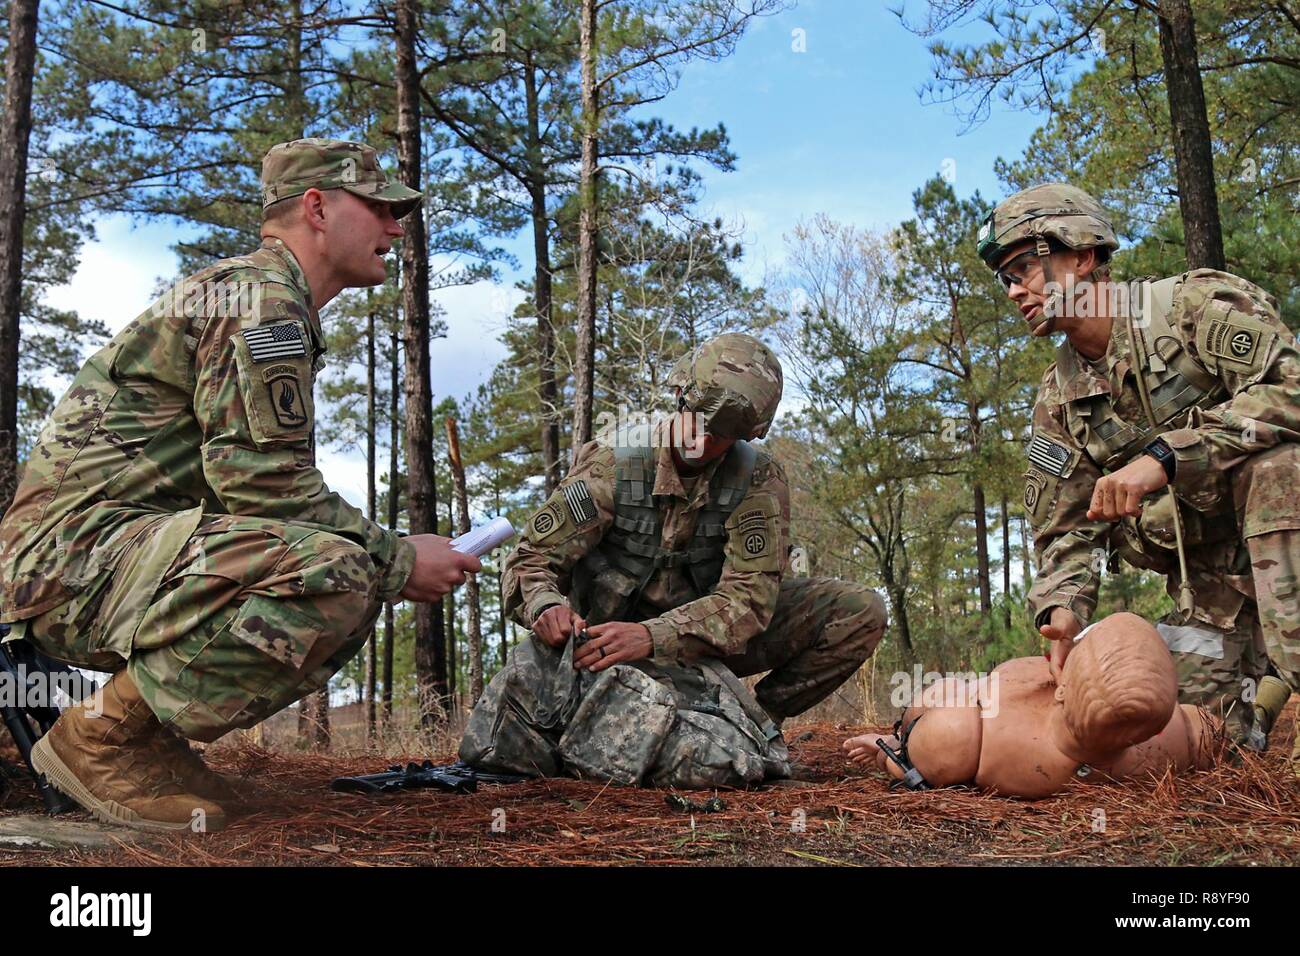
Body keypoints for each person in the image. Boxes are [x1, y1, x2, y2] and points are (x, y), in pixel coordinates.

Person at [0, 138, 480, 831]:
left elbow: (249, 487)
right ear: (316, 207)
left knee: (334, 561)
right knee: (337, 572)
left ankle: (144, 738)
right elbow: (261, 483)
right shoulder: (261, 301)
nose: (395, 227)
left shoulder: (261, 297)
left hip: (92, 556)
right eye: (378, 208)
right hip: (70, 561)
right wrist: (399, 557)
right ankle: (101, 737)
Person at [459, 332, 888, 786]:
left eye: (721, 436)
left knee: (859, 611)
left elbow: (750, 598)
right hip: (603, 648)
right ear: (680, 397)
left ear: (745, 436)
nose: (703, 442)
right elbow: (530, 561)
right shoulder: (615, 464)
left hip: (705, 644)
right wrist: (546, 606)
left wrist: (654, 635)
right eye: (698, 422)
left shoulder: (756, 479)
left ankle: (748, 722)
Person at [978, 183, 1298, 772]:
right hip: (1214, 598)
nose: (1016, 289)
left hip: (1287, 536)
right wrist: (1062, 610)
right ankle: (1263, 686)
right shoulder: (1060, 403)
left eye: (1025, 266)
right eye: (1005, 278)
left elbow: (1292, 388)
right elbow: (1064, 528)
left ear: (1082, 255)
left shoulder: (1186, 309)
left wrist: (1170, 455)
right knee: (1173, 736)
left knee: (1281, 468)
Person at [842, 612, 1222, 799]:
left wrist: (886, 750)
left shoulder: (969, 735)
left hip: (962, 714)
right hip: (986, 698)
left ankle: (890, 735)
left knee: (943, 705)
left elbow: (916, 767)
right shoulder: (1181, 735)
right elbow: (1215, 729)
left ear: (1061, 686)